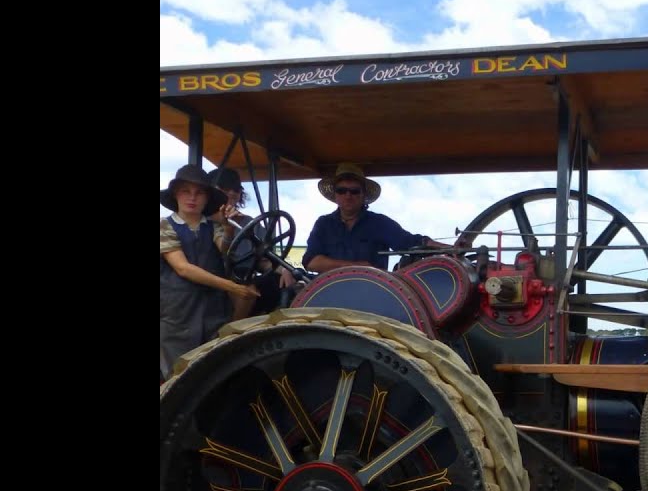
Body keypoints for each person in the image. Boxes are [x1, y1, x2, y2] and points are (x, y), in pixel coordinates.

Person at [160, 164, 261, 381]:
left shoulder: (213, 227)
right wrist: (232, 287)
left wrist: (228, 227)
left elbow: (224, 250)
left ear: (207, 199)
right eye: (186, 191)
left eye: (199, 193)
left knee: (211, 378)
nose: (192, 198)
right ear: (176, 195)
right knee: (178, 381)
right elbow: (183, 268)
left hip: (213, 314)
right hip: (178, 316)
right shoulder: (164, 227)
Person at [301, 162, 465, 274]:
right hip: (329, 291)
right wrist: (357, 267)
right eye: (342, 191)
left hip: (371, 292)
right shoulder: (323, 224)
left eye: (354, 191)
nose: (348, 195)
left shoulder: (379, 223)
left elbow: (411, 243)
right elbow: (311, 262)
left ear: (363, 195)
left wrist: (452, 249)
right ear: (335, 195)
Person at [209, 167, 296, 318]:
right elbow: (223, 249)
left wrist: (284, 269)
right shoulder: (205, 223)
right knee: (245, 285)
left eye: (235, 189)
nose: (231, 193)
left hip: (246, 278)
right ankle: (231, 333)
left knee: (284, 282)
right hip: (216, 281)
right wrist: (227, 227)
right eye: (225, 188)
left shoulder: (249, 223)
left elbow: (263, 259)